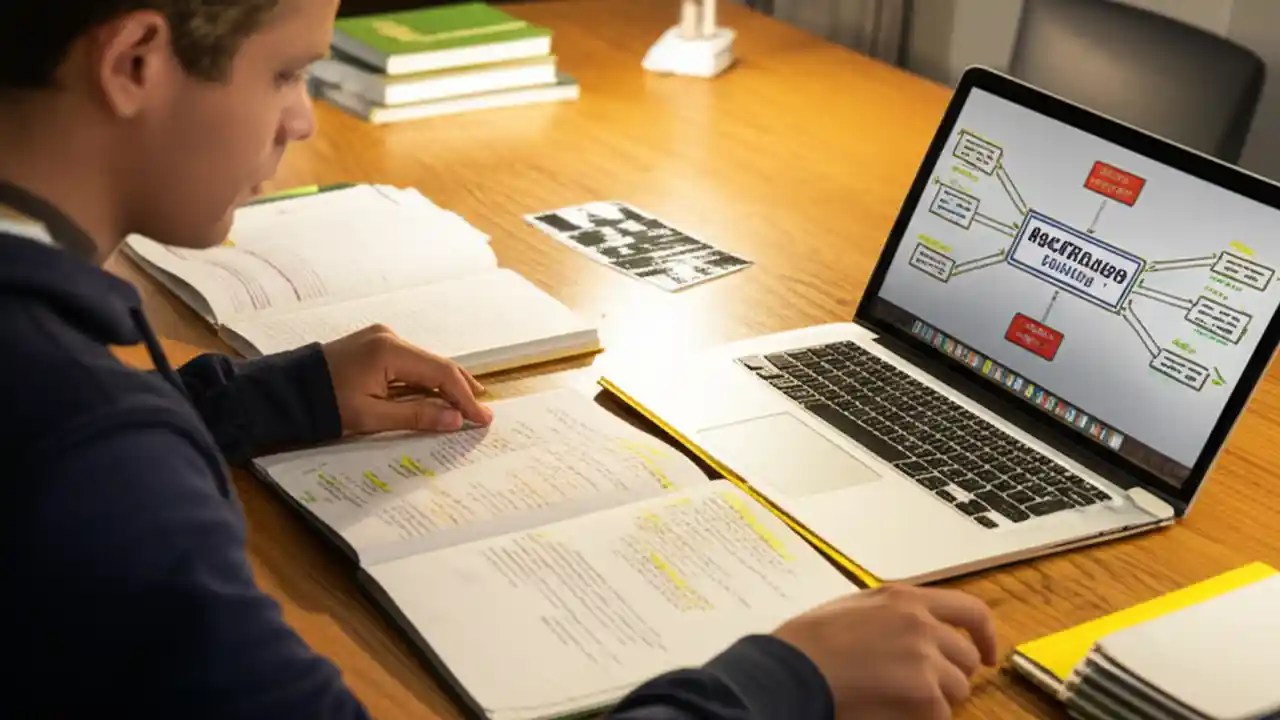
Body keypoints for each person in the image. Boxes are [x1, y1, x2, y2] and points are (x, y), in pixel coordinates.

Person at [0, 1, 998, 718]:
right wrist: (790, 679)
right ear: (133, 59)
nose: (301, 120)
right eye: (285, 73)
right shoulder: (95, 459)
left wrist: (265, 397)